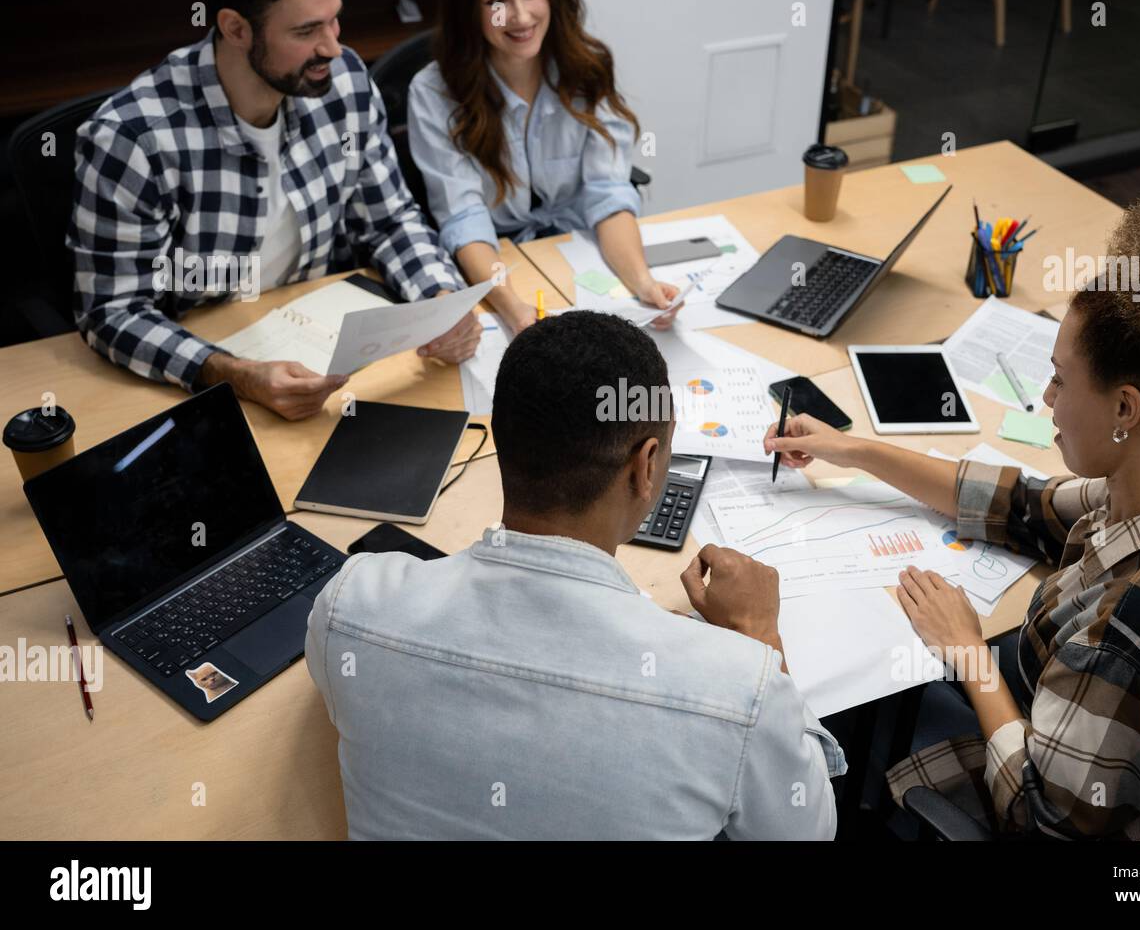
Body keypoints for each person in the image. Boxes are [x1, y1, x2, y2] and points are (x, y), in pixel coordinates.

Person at [765, 187, 1140, 839]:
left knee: (844, 718)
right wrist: (853, 450)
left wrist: (967, 652)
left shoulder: (1126, 631)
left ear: (1126, 409)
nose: (1045, 396)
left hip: (1090, 818)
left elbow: (1043, 820)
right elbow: (1022, 506)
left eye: (1061, 380)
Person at [306, 310, 843, 839]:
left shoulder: (349, 605)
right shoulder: (737, 690)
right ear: (647, 466)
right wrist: (760, 636)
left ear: (501, 438)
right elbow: (807, 831)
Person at [68, 0, 483, 421]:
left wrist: (440, 298)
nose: (333, 48)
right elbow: (112, 310)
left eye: (335, 20)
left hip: (325, 351)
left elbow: (389, 221)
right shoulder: (133, 138)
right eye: (306, 32)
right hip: (203, 371)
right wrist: (235, 375)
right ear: (235, 28)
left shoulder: (344, 85)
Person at [407, 0, 681, 334]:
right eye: (496, 2)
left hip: (576, 253)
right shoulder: (433, 92)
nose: (521, 16)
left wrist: (644, 284)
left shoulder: (588, 69)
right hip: (494, 265)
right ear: (468, 10)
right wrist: (514, 310)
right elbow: (464, 220)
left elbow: (609, 194)